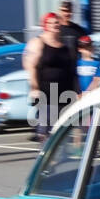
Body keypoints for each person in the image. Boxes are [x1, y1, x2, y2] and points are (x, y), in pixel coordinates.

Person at [25, 12, 78, 143]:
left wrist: (77, 91)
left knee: (61, 128)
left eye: (57, 23)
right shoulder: (38, 42)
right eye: (51, 22)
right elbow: (30, 66)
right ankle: (45, 157)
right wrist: (34, 87)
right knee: (45, 128)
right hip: (46, 92)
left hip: (65, 92)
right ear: (45, 25)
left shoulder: (65, 46)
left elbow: (72, 70)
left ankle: (57, 157)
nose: (55, 25)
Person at [57, 0, 88, 66]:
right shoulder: (54, 29)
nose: (67, 13)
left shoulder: (79, 30)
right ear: (59, 11)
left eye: (69, 10)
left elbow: (86, 51)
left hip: (74, 70)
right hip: (58, 70)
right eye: (64, 10)